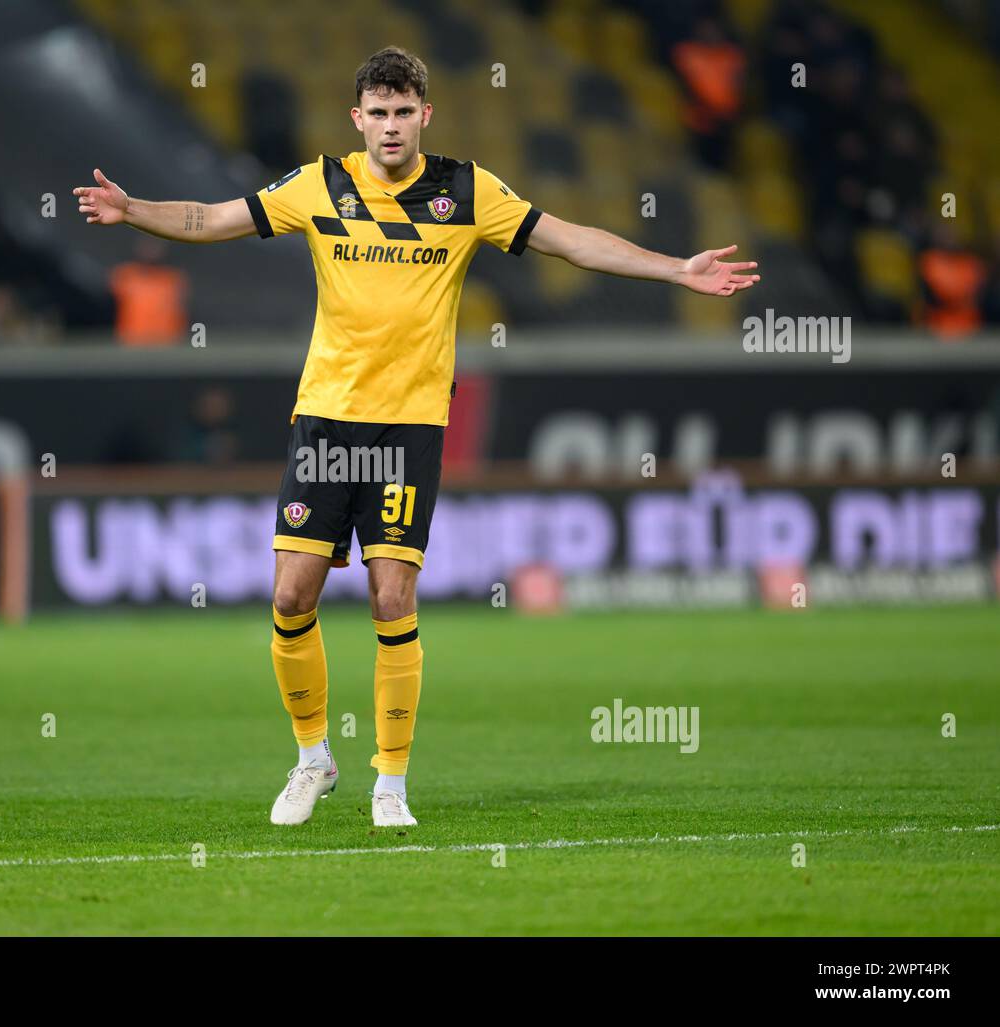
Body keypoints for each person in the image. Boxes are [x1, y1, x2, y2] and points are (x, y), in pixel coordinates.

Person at [73, 46, 759, 829]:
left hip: (409, 423)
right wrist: (136, 210)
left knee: (392, 595)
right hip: (327, 417)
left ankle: (390, 782)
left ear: (424, 116)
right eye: (380, 113)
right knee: (292, 591)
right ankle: (311, 759)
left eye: (405, 113)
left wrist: (676, 268)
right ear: (357, 118)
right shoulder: (318, 184)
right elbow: (215, 219)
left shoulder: (468, 191)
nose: (392, 127)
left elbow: (569, 238)